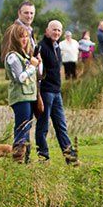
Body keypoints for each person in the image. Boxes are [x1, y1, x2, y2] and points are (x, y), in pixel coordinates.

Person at [35, 20, 78, 164]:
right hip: (45, 92)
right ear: (47, 31)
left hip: (56, 92)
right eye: (54, 29)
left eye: (59, 30)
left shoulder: (57, 47)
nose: (57, 32)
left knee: (61, 126)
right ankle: (43, 157)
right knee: (43, 127)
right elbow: (37, 70)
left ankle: (71, 158)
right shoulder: (41, 47)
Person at [2, 23, 40, 163]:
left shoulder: (24, 55)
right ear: (14, 39)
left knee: (26, 128)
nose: (24, 40)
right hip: (20, 97)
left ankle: (25, 160)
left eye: (26, 36)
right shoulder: (12, 56)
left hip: (28, 96)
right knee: (22, 128)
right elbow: (20, 78)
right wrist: (32, 66)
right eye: (21, 37)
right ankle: (18, 160)